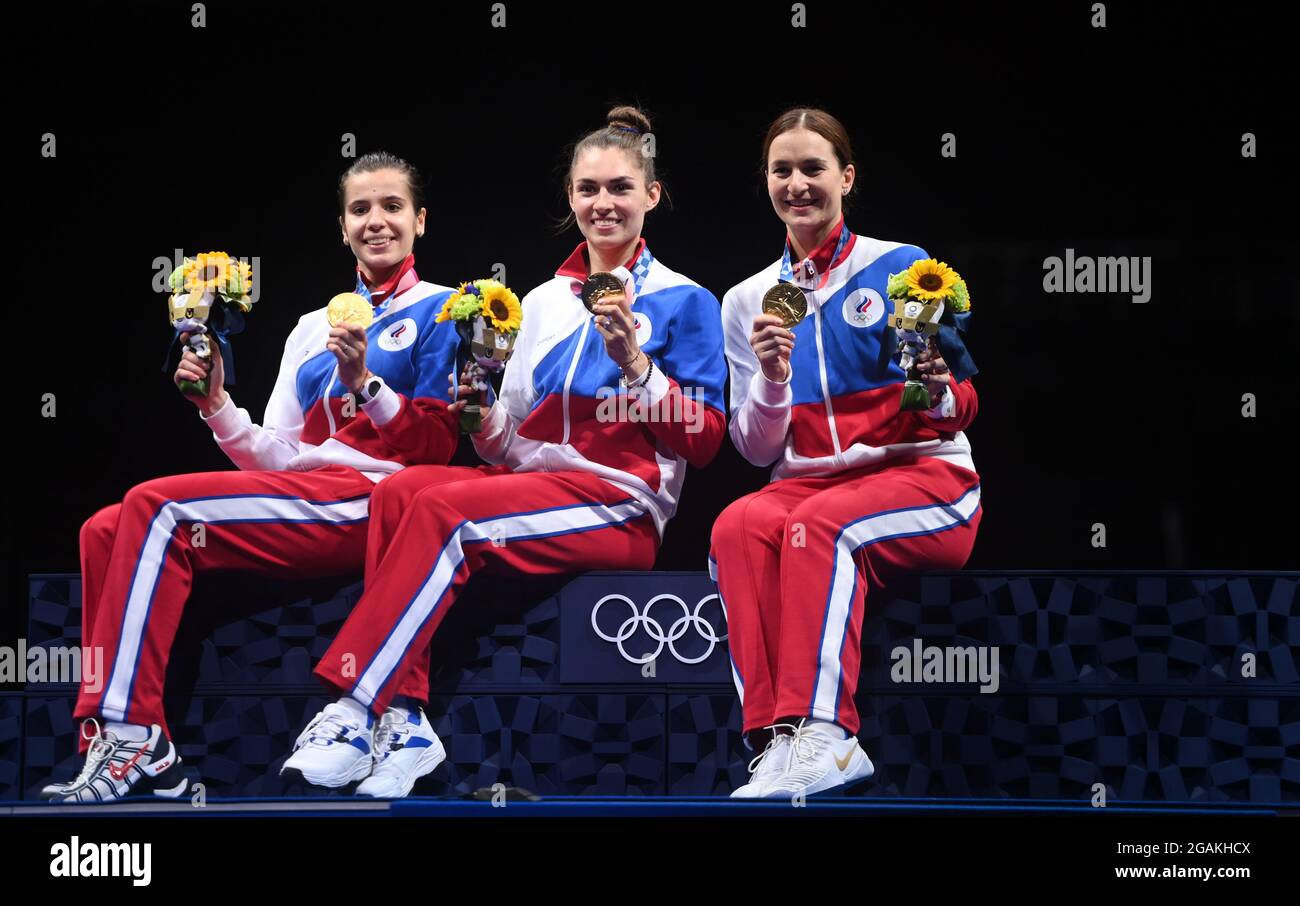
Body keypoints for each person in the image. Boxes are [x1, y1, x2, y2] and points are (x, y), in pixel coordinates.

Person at [281, 105, 729, 799]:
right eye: (587, 189)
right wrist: (483, 416)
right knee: (403, 491)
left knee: (447, 517)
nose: (602, 204)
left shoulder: (686, 301)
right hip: (547, 494)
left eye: (618, 188)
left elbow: (702, 443)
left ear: (651, 195)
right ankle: (406, 722)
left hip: (621, 508)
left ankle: (352, 706)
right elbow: (507, 451)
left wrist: (638, 367)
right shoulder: (541, 304)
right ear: (570, 198)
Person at [43, 151, 464, 803]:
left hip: (381, 509)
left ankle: (129, 738)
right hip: (308, 499)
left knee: (155, 505)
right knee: (106, 527)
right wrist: (216, 405)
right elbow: (280, 457)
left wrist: (366, 384)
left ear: (421, 221)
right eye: (360, 209)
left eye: (392, 207)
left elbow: (436, 448)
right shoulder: (308, 329)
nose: (376, 221)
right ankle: (124, 742)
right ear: (341, 226)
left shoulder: (446, 312)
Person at [710, 108, 983, 799]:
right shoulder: (747, 301)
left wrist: (935, 388)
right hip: (808, 483)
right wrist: (773, 380)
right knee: (735, 526)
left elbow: (963, 405)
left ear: (847, 177)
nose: (797, 183)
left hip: (925, 478)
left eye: (813, 168)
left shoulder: (902, 269)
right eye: (782, 170)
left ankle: (828, 736)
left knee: (820, 528)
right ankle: (776, 740)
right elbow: (755, 447)